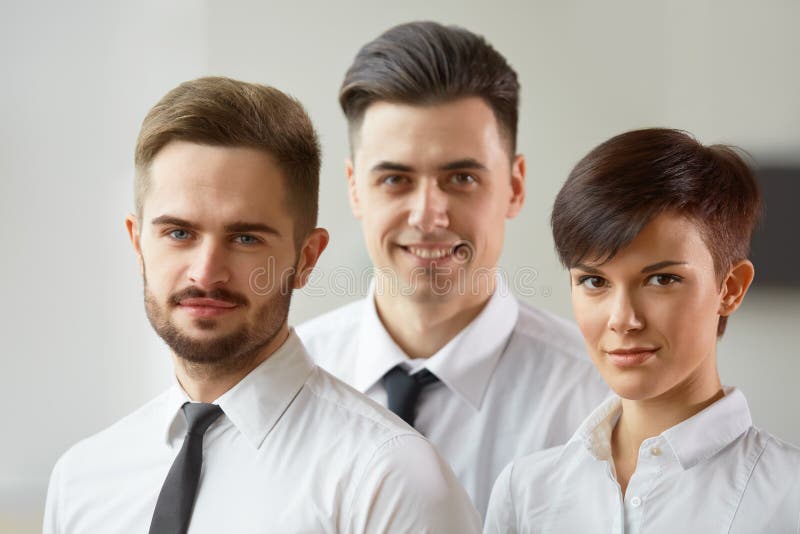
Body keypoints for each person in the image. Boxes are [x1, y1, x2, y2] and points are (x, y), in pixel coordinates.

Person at [43, 77, 480, 534]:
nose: (206, 272)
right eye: (178, 233)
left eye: (245, 238)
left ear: (306, 258)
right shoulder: (81, 481)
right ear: (138, 244)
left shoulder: (389, 479)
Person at [296, 21, 609, 518]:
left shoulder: (600, 406)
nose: (428, 215)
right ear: (356, 189)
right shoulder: (287, 384)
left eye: (461, 177)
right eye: (395, 179)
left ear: (515, 184)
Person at [484, 128, 800, 533]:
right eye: (594, 282)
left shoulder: (788, 498)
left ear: (730, 288)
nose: (622, 319)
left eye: (662, 280)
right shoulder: (526, 494)